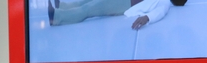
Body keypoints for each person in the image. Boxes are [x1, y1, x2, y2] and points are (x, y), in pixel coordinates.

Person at [48, 0, 187, 29]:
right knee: (91, 1)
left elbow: (159, 13)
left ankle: (58, 17)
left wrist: (147, 18)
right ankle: (64, 6)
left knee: (91, 8)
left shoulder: (165, 3)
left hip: (123, 4)